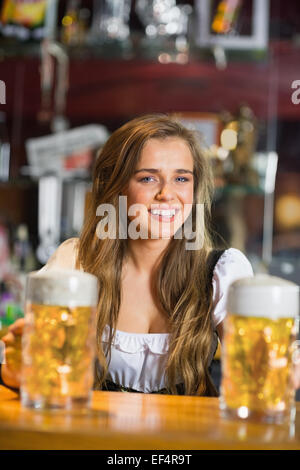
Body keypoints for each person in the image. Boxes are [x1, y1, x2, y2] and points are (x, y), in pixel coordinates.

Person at [0, 114, 277, 395]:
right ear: (116, 188)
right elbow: (34, 367)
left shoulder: (221, 271)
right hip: (94, 436)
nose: (167, 194)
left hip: (188, 438)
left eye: (181, 178)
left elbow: (258, 371)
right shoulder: (77, 262)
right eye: (147, 178)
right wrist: (18, 372)